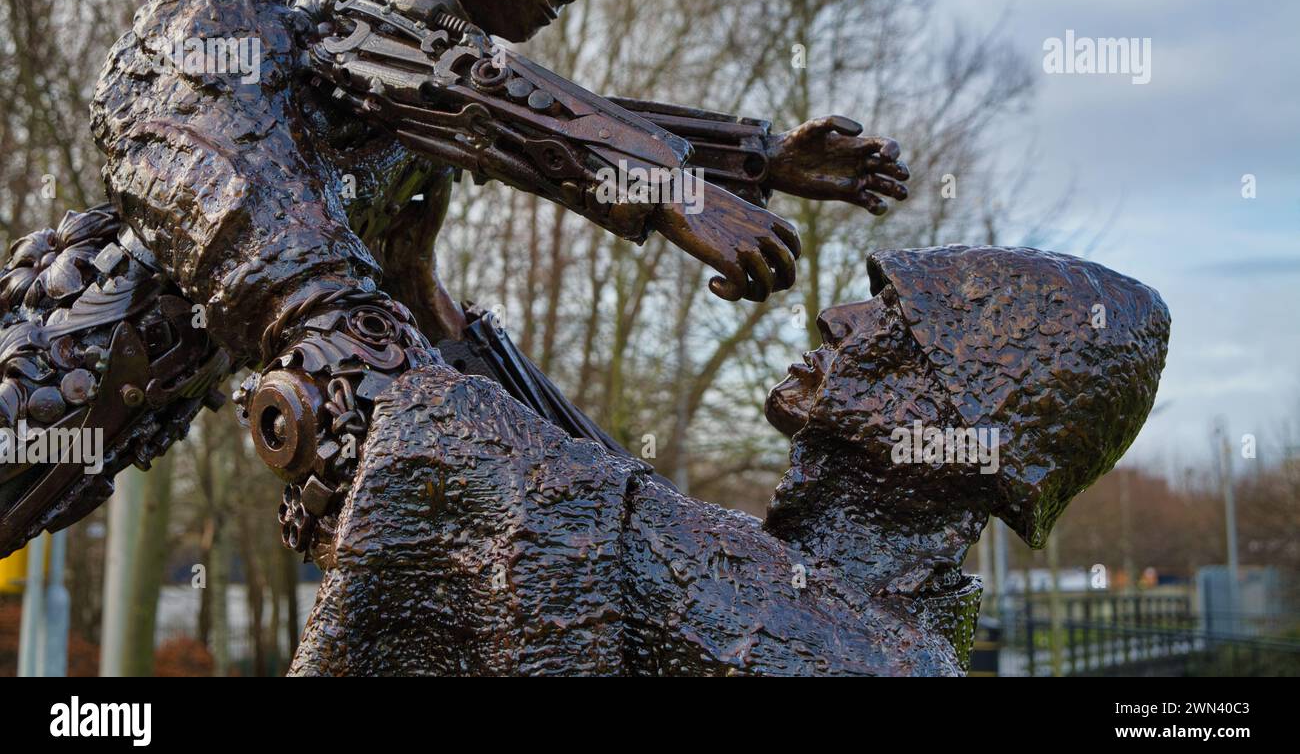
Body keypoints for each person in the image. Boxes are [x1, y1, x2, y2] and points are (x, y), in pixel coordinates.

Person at [0, 0, 907, 561]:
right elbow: (437, 75)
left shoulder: (408, 135)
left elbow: (435, 304)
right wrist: (669, 183)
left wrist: (750, 161)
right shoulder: (287, 28)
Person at [288, 246, 1170, 675]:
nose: (839, 320)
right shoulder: (799, 587)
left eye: (896, 325)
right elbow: (567, 466)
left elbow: (488, 457)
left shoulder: (853, 655)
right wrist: (411, 270)